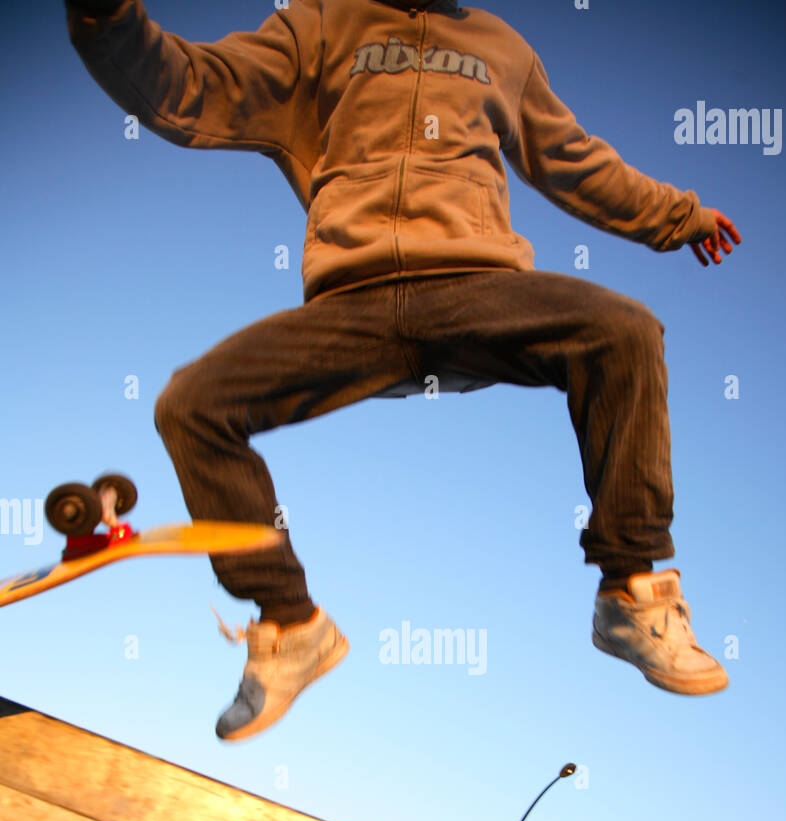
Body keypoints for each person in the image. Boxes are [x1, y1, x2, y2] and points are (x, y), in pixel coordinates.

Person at [65, 0, 741, 741]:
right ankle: (291, 624)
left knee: (623, 330)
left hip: (478, 293)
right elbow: (187, 85)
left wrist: (678, 217)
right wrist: (106, 18)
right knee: (191, 403)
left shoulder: (500, 48)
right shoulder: (319, 26)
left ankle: (630, 592)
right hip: (350, 305)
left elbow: (574, 159)